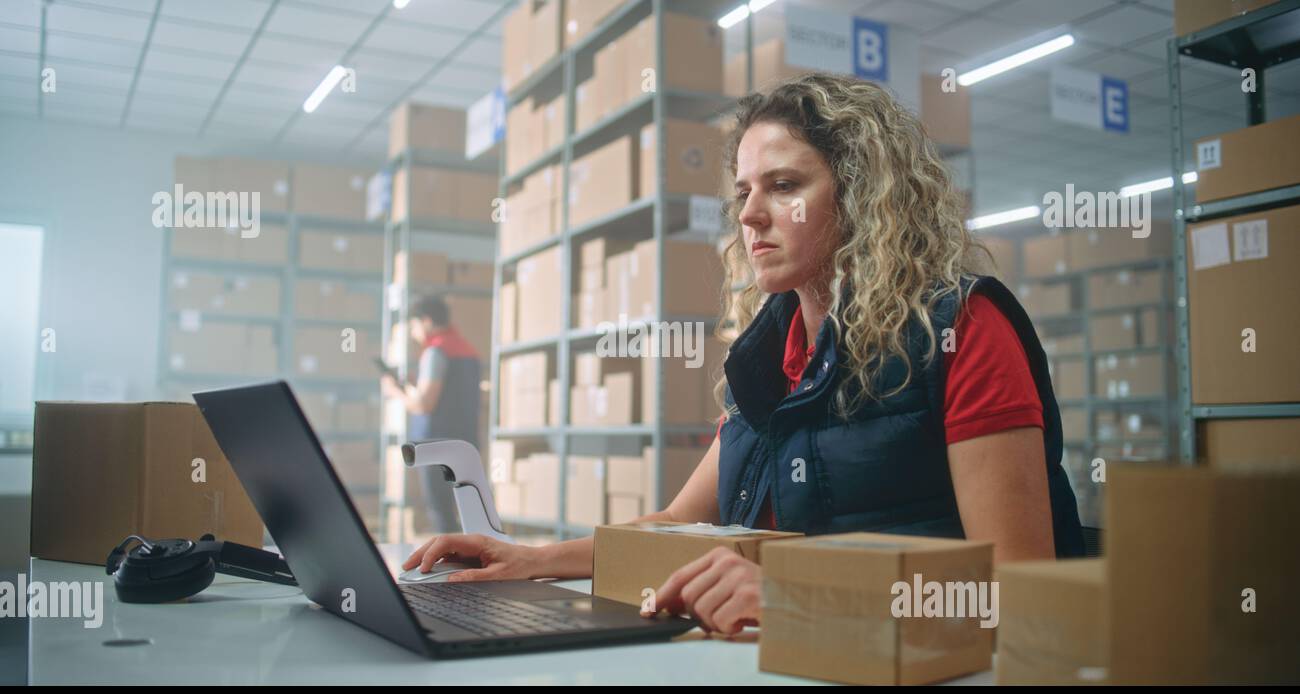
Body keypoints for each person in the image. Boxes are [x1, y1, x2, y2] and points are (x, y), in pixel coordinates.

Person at [402, 73, 1084, 635]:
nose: (751, 214)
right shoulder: (768, 361)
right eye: (744, 192)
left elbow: (1018, 591)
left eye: (784, 186)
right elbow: (677, 523)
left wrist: (795, 596)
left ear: (862, 192)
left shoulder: (962, 327)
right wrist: (530, 559)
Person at [381, 294, 481, 535]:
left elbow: (425, 404)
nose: (414, 333)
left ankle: (451, 568)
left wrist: (395, 392)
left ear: (426, 321)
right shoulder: (467, 350)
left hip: (437, 444)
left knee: (441, 511)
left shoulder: (436, 352)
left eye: (414, 326)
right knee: (468, 509)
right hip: (466, 442)